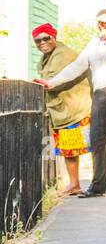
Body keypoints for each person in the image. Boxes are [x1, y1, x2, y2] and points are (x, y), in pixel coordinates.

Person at [36, 8, 106, 198]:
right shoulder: (94, 43)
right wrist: (51, 83)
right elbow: (77, 67)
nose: (101, 26)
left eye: (104, 22)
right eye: (99, 23)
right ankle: (97, 187)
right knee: (98, 140)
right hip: (100, 93)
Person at [31, 23, 92, 196]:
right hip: (65, 109)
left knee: (74, 149)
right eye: (37, 40)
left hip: (73, 109)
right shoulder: (48, 56)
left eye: (46, 38)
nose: (42, 42)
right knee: (68, 149)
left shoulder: (62, 55)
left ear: (54, 37)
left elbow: (51, 82)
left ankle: (78, 185)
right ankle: (75, 184)